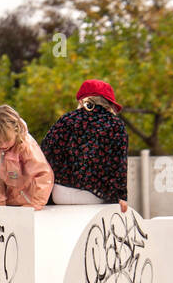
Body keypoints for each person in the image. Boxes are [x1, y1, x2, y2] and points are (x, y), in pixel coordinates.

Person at [41, 79, 129, 211]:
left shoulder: (66, 120)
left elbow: (46, 153)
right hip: (95, 194)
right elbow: (118, 164)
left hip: (60, 193)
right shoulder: (115, 125)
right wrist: (121, 196)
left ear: (82, 101)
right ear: (109, 103)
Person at [0, 104, 53, 209]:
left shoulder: (26, 147)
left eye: (7, 140)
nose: (3, 145)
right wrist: (0, 204)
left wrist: (35, 203)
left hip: (30, 202)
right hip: (10, 203)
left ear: (16, 130)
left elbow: (44, 175)